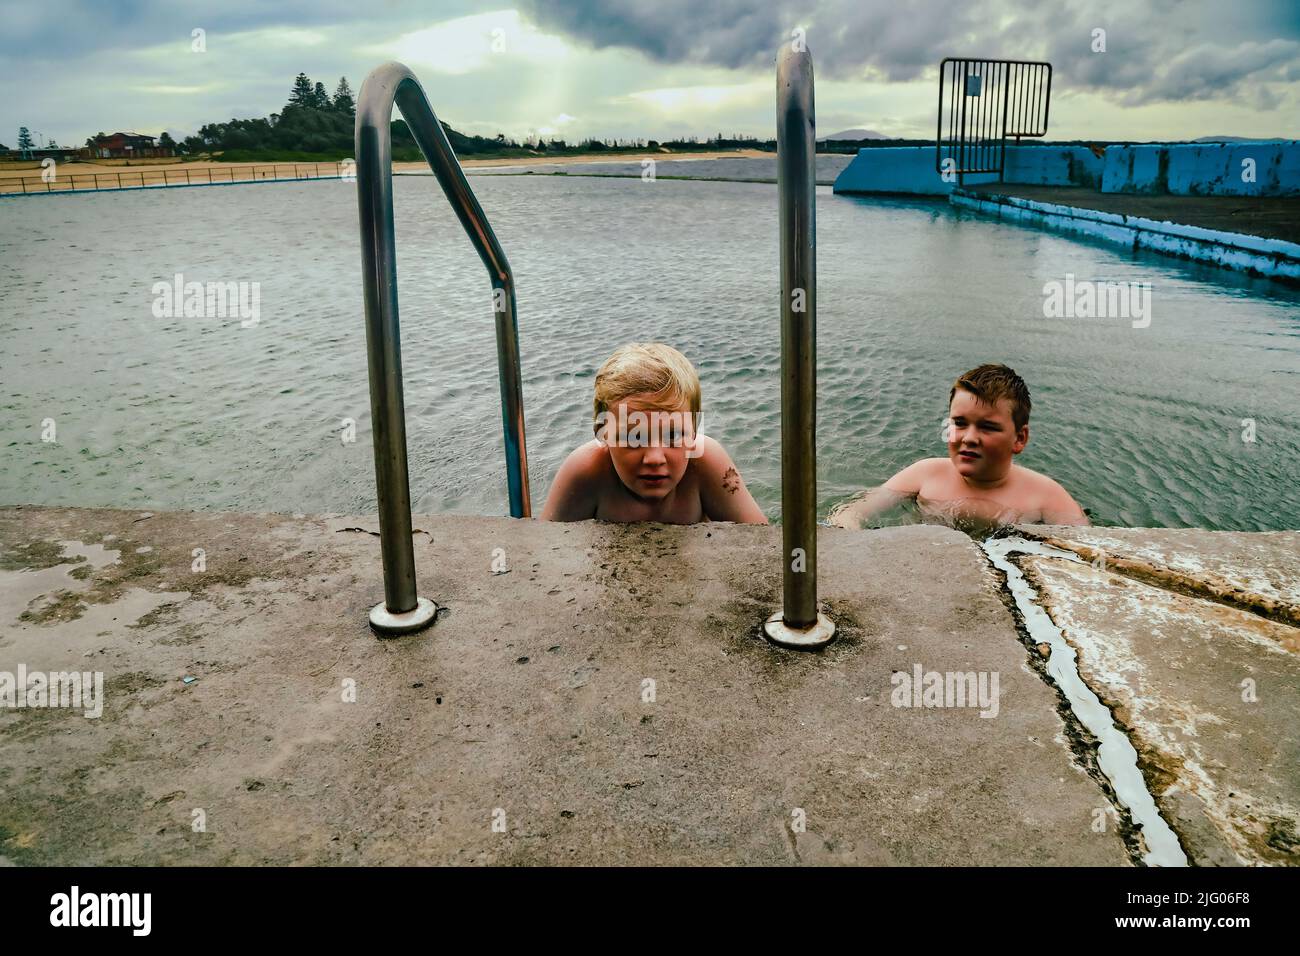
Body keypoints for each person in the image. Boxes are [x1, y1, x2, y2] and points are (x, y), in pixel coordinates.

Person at [829, 363, 1088, 529]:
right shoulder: (925, 474)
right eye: (960, 423)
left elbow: (1088, 548)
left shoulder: (1045, 496)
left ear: (1019, 439)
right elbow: (855, 512)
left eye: (987, 427)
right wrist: (848, 530)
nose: (969, 437)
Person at [540, 343, 767, 524]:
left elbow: (761, 543)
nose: (655, 458)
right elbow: (545, 557)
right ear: (603, 434)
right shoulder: (585, 471)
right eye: (634, 437)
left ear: (694, 433)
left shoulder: (706, 462)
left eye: (673, 436)